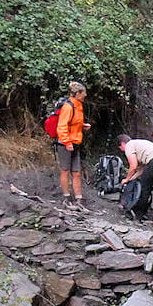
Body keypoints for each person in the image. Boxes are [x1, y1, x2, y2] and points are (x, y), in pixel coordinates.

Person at [118, 134, 153, 226]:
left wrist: (126, 179)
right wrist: (132, 178)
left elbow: (133, 166)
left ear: (122, 144)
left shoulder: (129, 145)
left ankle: (138, 214)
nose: (122, 150)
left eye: (121, 148)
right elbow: (143, 168)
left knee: (144, 187)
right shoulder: (141, 144)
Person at [56, 81, 89, 210]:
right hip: (65, 144)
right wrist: (67, 142)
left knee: (76, 172)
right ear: (77, 93)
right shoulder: (68, 107)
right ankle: (67, 198)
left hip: (76, 142)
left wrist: (83, 125)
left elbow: (73, 122)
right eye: (83, 92)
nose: (85, 95)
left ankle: (79, 199)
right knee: (65, 170)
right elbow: (62, 126)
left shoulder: (78, 106)